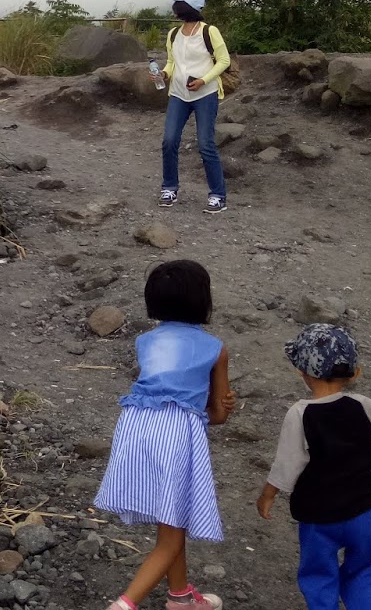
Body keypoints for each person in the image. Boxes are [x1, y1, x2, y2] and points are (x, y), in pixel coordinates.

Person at [95, 259, 237, 610]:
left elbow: (164, 386)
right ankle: (126, 604)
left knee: (169, 519)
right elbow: (217, 415)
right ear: (203, 301)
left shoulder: (146, 341)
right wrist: (223, 406)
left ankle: (180, 597)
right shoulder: (216, 347)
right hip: (176, 436)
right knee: (171, 539)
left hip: (136, 424)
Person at [259, 323, 371, 610]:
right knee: (364, 570)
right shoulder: (362, 404)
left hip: (320, 517)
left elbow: (287, 465)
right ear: (355, 373)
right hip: (366, 511)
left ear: (302, 372)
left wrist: (268, 495)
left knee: (319, 575)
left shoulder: (300, 413)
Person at [155, 0, 232, 213]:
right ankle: (169, 188)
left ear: (188, 8)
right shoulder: (173, 34)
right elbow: (172, 61)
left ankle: (218, 195)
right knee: (169, 140)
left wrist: (204, 79)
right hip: (179, 93)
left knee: (206, 144)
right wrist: (164, 74)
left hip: (205, 94)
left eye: (179, 3)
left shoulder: (209, 31)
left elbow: (224, 60)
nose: (175, 6)